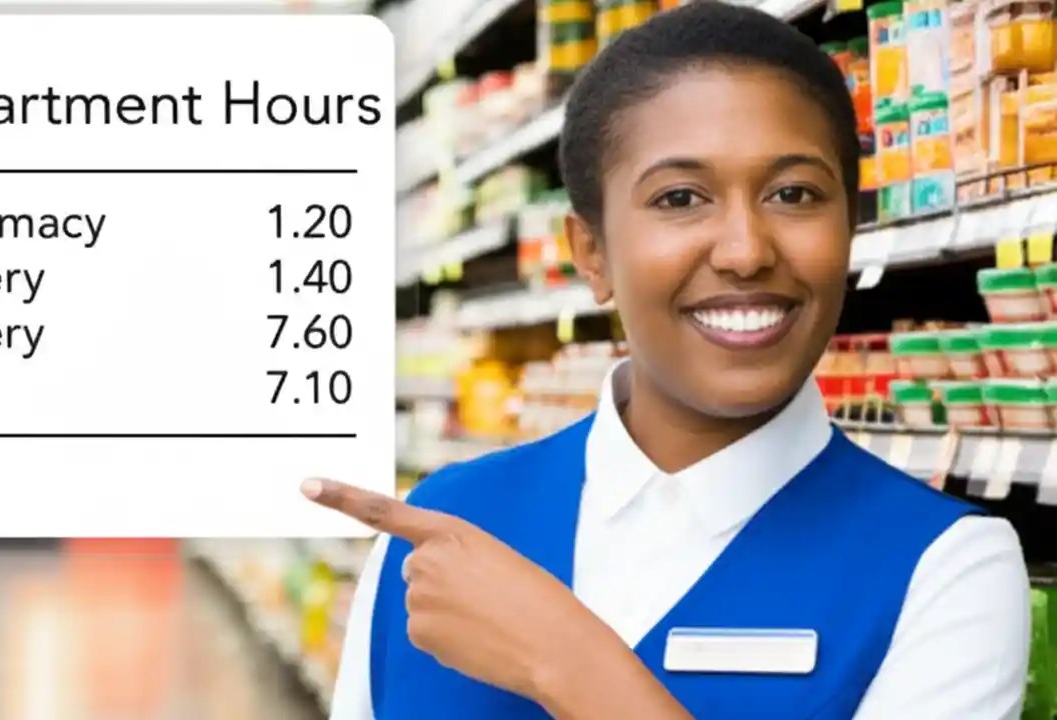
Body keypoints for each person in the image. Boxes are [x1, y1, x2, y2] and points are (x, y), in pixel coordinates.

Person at [301, 3, 1032, 718]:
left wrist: (563, 661)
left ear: (849, 224)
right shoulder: (438, 533)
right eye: (680, 198)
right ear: (592, 254)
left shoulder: (945, 571)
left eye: (794, 193)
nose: (746, 250)